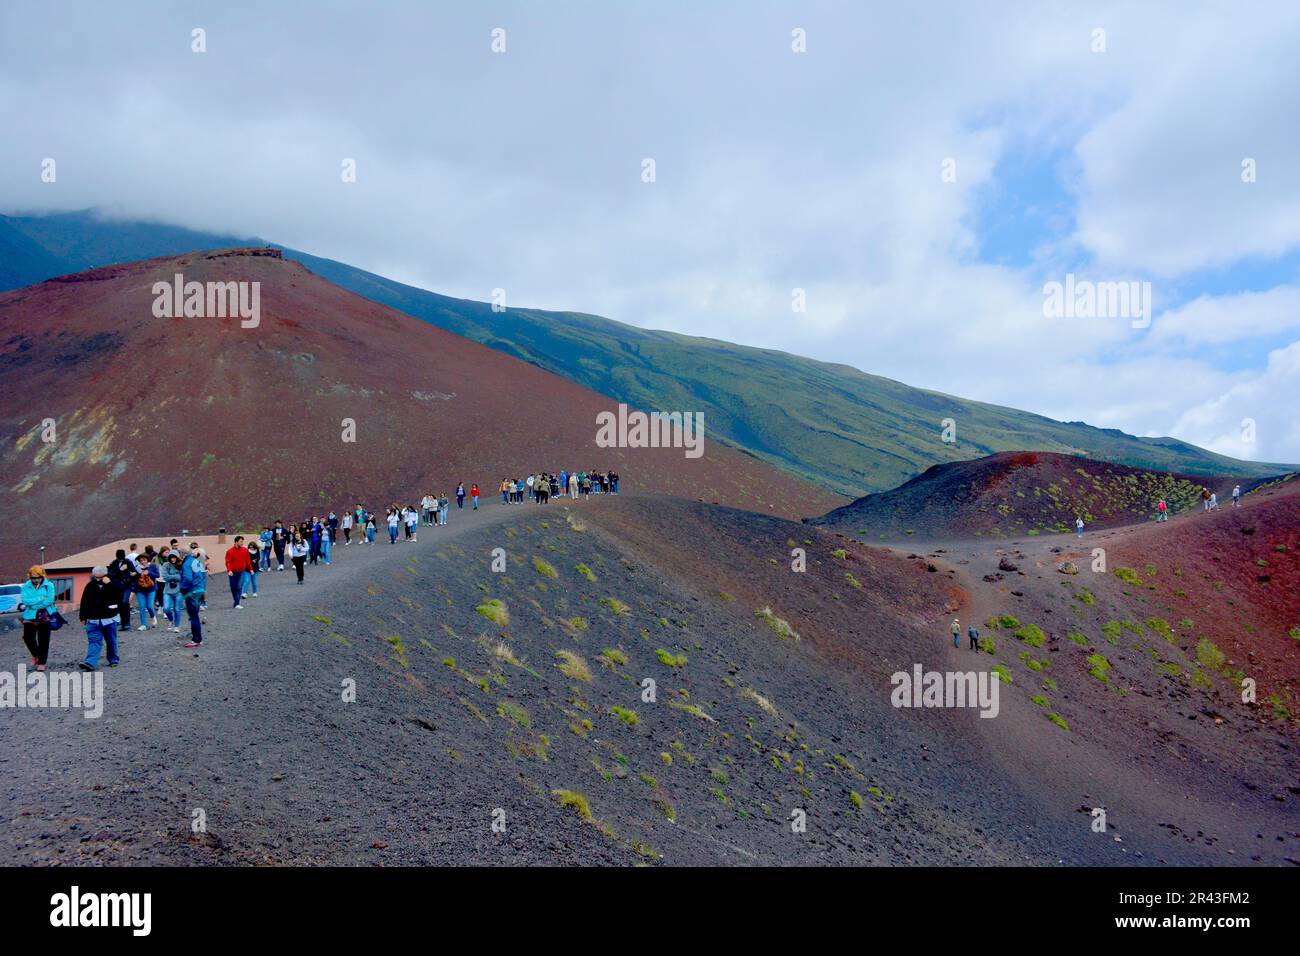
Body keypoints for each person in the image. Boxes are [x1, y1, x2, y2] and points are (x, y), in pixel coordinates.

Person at [77, 566, 121, 671]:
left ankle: (113, 659)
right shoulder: (90, 586)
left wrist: (109, 584)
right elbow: (84, 602)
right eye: (95, 577)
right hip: (93, 620)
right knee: (94, 641)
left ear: (105, 575)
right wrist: (82, 616)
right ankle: (90, 662)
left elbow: (118, 596)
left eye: (100, 577)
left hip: (109, 619)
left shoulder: (114, 584)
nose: (97, 579)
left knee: (111, 640)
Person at [19, 565, 56, 673]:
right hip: (29, 615)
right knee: (27, 637)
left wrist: (35, 603)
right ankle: (35, 655)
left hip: (45, 616)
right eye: (33, 578)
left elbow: (49, 600)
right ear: (30, 577)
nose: (35, 580)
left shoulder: (49, 585)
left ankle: (42, 663)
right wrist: (40, 600)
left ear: (42, 576)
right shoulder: (26, 586)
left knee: (43, 640)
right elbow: (25, 600)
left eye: (38, 577)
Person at [180, 548, 207, 647]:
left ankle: (196, 639)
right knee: (195, 615)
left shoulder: (187, 563)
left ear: (182, 554)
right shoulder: (197, 562)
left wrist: (182, 588)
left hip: (192, 591)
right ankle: (198, 639)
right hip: (199, 590)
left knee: (193, 616)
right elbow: (203, 576)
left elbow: (188, 578)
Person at [133, 551, 160, 630]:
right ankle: (143, 625)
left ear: (147, 559)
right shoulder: (137, 568)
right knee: (141, 607)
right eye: (141, 560)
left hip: (151, 589)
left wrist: (149, 573)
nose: (142, 561)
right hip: (140, 589)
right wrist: (134, 575)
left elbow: (157, 575)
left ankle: (153, 616)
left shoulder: (152, 566)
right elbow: (134, 579)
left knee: (149, 606)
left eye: (144, 560)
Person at [225, 535, 252, 609]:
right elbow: (228, 562)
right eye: (241, 541)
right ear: (236, 542)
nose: (242, 543)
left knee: (239, 586)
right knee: (233, 588)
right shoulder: (229, 551)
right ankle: (236, 601)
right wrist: (229, 570)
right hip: (232, 572)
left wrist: (251, 569)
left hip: (241, 571)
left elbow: (248, 560)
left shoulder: (245, 550)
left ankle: (237, 603)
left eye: (242, 541)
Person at [161, 552, 183, 632]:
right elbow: (165, 577)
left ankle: (177, 626)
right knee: (166, 608)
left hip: (179, 591)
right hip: (167, 590)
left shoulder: (181, 565)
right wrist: (176, 577)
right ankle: (171, 619)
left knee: (177, 609)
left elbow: (182, 577)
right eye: (171, 557)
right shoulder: (166, 565)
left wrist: (171, 577)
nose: (173, 559)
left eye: (174, 557)